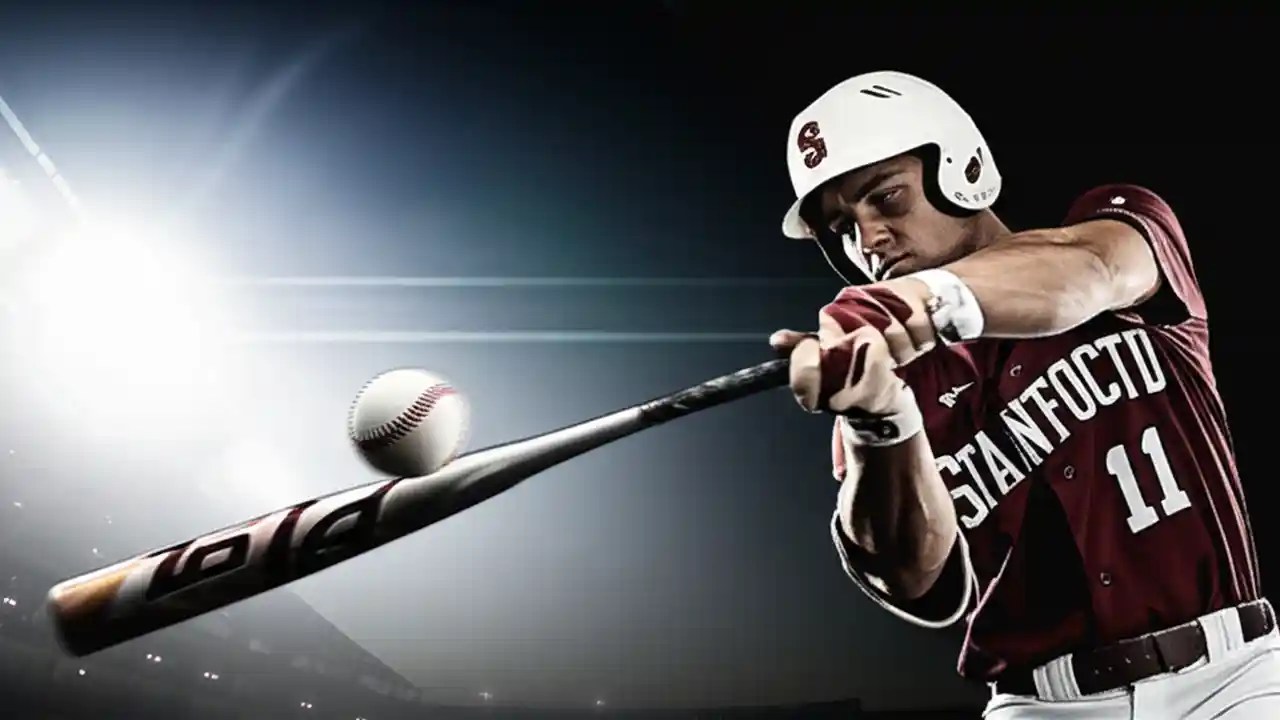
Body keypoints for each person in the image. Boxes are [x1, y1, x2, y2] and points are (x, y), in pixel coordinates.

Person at [769, 70, 1280, 718]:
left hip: (1232, 681)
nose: (867, 241)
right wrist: (879, 422)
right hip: (1041, 704)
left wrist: (925, 297)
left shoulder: (1117, 231)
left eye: (888, 198)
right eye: (842, 227)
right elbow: (915, 580)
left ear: (962, 166)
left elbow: (1089, 271)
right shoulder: (887, 379)